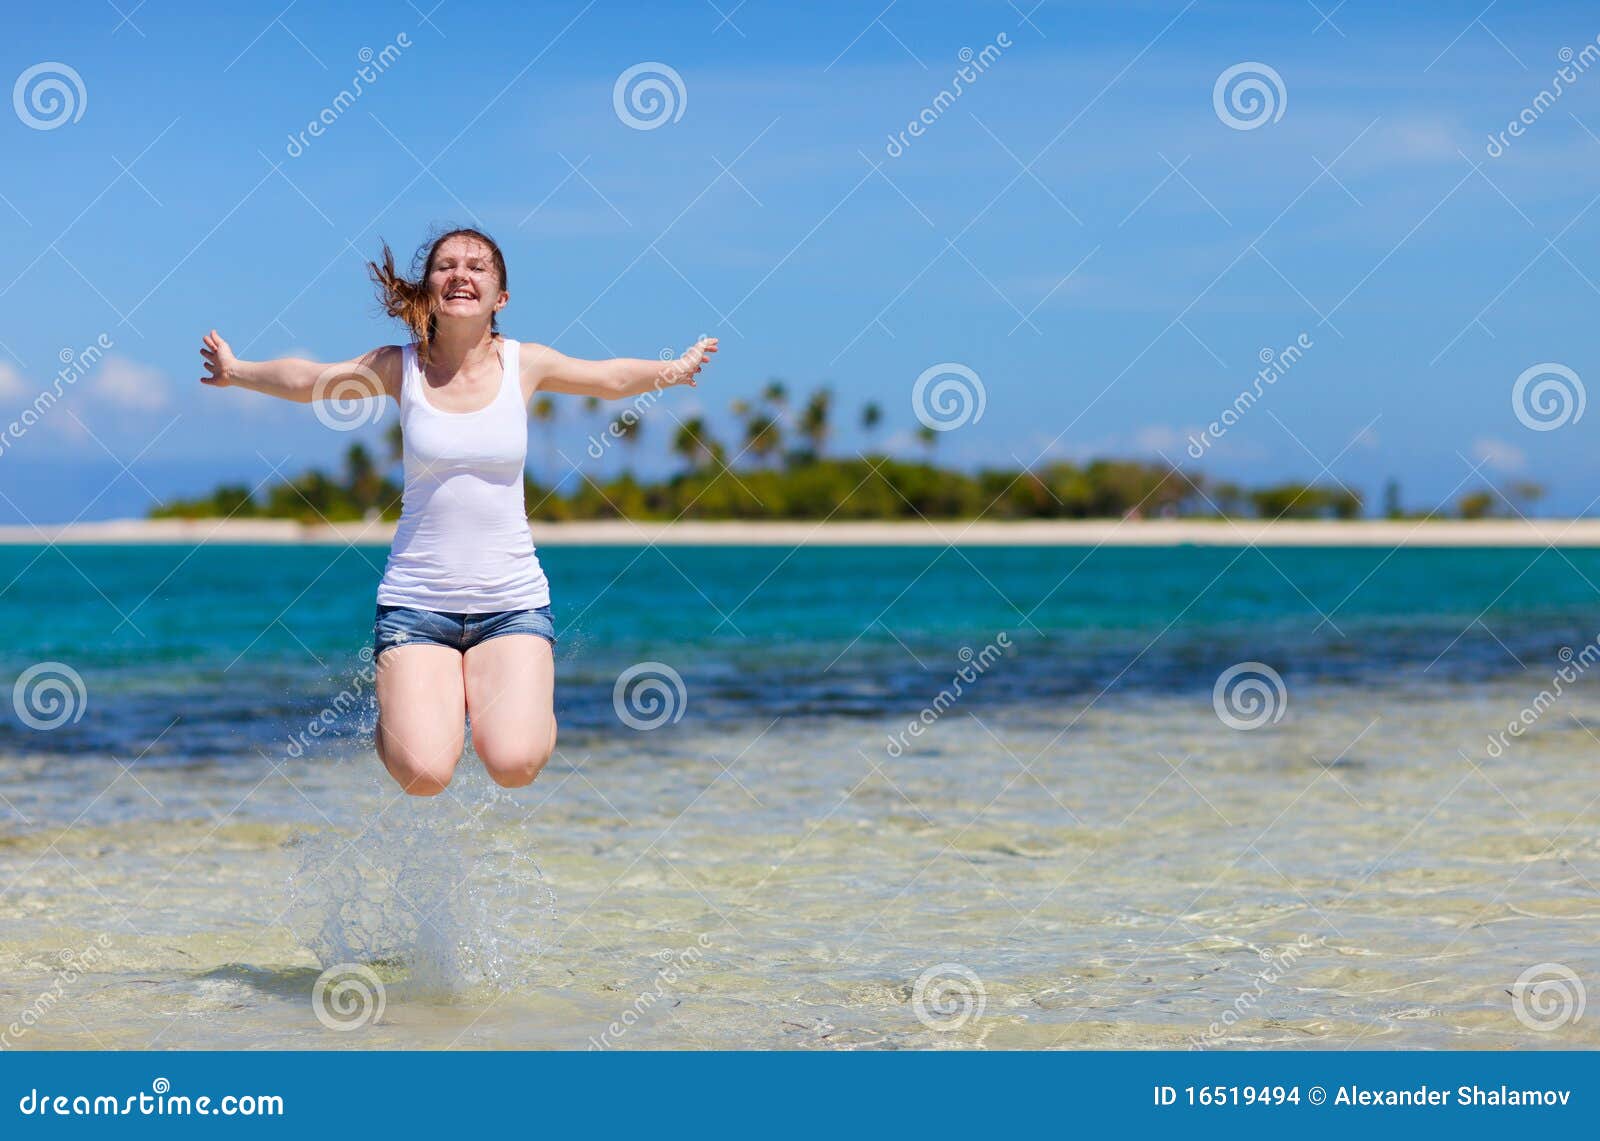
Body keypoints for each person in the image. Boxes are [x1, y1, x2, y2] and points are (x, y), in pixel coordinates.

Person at [199, 226, 717, 795]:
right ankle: (403, 722)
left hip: (512, 604)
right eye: (445, 266)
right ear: (429, 289)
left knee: (514, 765)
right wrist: (237, 370)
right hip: (417, 603)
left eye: (477, 267)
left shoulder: (525, 364)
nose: (460, 274)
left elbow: (610, 378)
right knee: (424, 775)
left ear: (501, 297)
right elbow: (311, 381)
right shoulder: (401, 367)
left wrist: (676, 369)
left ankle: (520, 710)